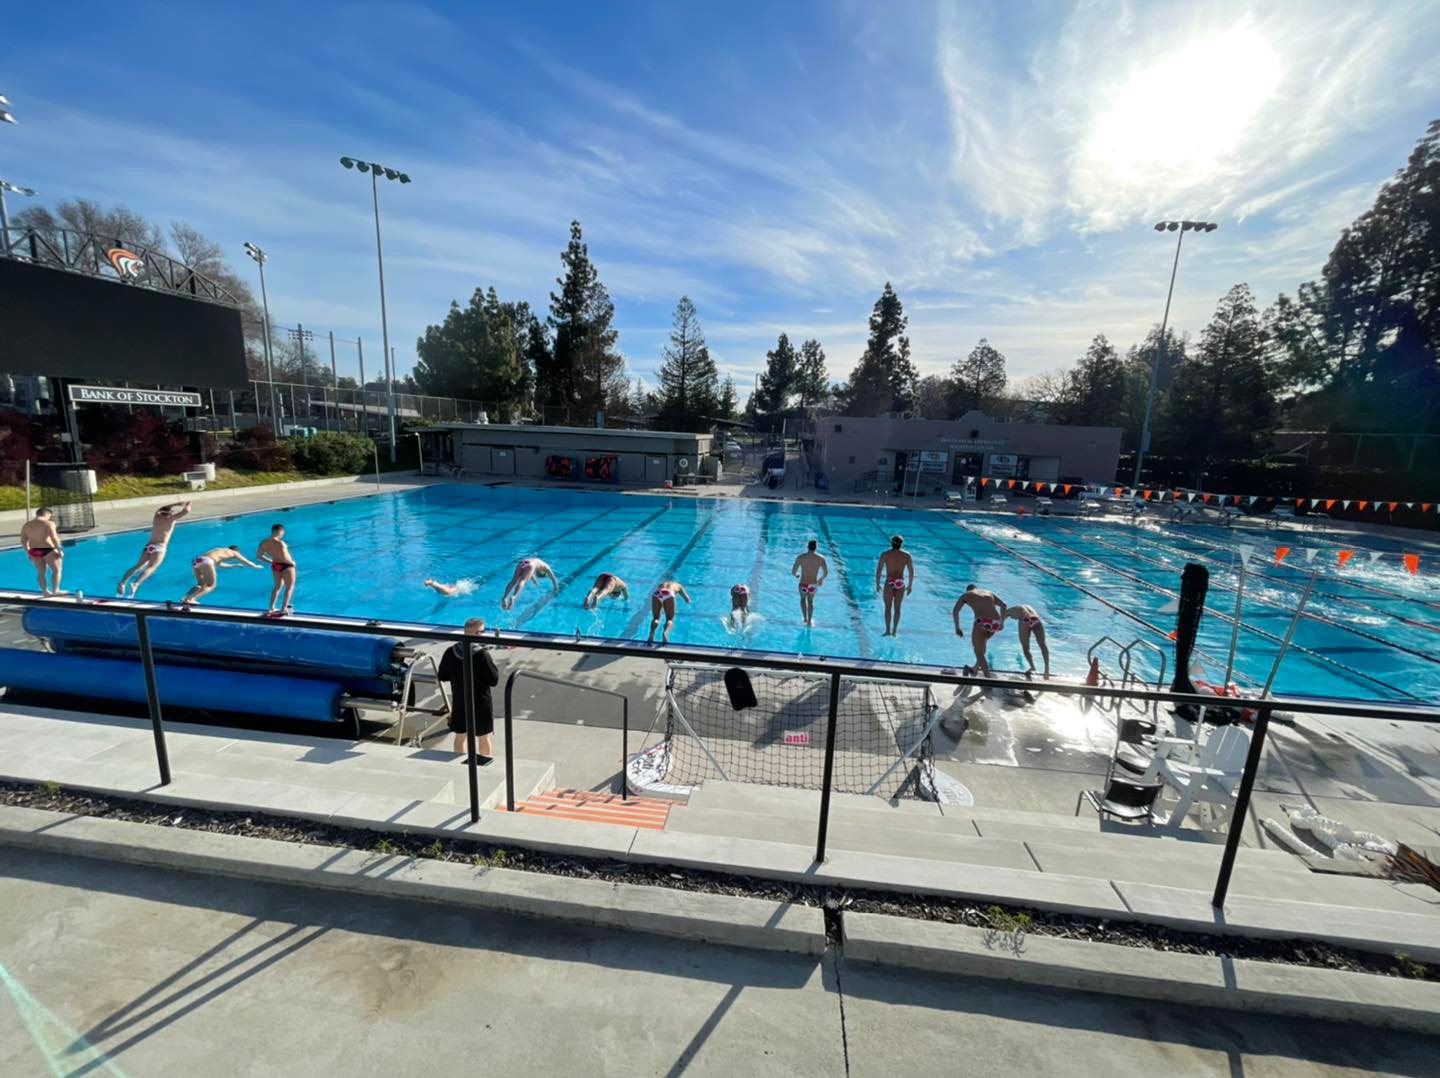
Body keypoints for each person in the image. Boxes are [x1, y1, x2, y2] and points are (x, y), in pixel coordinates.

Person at [437, 617, 500, 762]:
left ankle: (459, 764)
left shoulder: (450, 652)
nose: (484, 635)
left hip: (460, 700)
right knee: (483, 738)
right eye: (483, 632)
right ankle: (484, 765)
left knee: (460, 736)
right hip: (481, 702)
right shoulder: (481, 655)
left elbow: (442, 675)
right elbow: (494, 679)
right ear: (477, 633)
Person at [116, 501, 191, 597]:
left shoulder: (156, 516)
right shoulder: (170, 519)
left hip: (148, 546)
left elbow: (162, 508)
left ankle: (122, 582)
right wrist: (188, 504)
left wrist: (175, 504)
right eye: (172, 511)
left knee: (138, 566)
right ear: (170, 513)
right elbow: (186, 511)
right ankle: (136, 584)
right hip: (159, 547)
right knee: (151, 567)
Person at [952, 584, 1008, 677]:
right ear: (976, 588)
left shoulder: (965, 595)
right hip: (995, 623)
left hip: (981, 622)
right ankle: (975, 669)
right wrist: (1001, 623)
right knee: (983, 644)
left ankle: (987, 679)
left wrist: (957, 628)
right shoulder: (989, 592)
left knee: (978, 652)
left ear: (967, 590)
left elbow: (955, 611)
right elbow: (1004, 605)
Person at [182, 545, 261, 604]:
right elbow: (246, 561)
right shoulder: (235, 553)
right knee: (211, 585)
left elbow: (219, 564)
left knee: (200, 584)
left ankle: (184, 598)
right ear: (237, 551)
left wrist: (234, 565)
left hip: (197, 560)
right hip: (207, 561)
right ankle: (192, 599)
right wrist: (255, 566)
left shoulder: (219, 549)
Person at [874, 535, 914, 637]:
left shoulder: (885, 554)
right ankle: (894, 631)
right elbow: (911, 571)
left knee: (887, 608)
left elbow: (879, 570)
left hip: (889, 582)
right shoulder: (907, 555)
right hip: (900, 582)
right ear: (901, 544)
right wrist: (910, 585)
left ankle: (887, 630)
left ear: (891, 543)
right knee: (897, 608)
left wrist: (877, 584)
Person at [256, 523, 297, 616]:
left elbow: (259, 557)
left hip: (275, 566)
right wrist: (292, 563)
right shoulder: (281, 543)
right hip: (287, 566)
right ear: (281, 531)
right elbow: (285, 557)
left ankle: (271, 608)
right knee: (289, 588)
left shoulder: (263, 542)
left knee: (277, 587)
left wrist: (271, 561)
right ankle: (283, 609)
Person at [19, 509, 63, 595]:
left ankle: (45, 592)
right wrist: (59, 550)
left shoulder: (27, 525)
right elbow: (54, 538)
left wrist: (28, 552)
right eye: (49, 516)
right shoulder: (49, 524)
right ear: (46, 514)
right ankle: (55, 591)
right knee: (57, 570)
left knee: (41, 572)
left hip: (34, 550)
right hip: (48, 549)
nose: (49, 518)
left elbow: (23, 541)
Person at [1002, 603, 1051, 679]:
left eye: (1012, 617)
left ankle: (1032, 667)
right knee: (1043, 644)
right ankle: (1047, 669)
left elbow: (1000, 621)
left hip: (1024, 620)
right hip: (1036, 619)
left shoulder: (1008, 611)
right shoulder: (1027, 607)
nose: (1013, 618)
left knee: (1025, 647)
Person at [791, 539, 829, 626]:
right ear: (816, 548)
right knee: (811, 602)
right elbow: (826, 572)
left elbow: (793, 571)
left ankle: (805, 618)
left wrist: (797, 575)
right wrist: (821, 579)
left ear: (807, 547)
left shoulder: (801, 557)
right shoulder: (821, 558)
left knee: (803, 599)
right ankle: (809, 622)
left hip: (803, 584)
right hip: (813, 585)